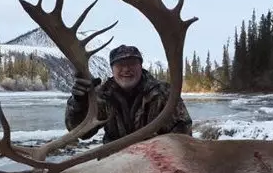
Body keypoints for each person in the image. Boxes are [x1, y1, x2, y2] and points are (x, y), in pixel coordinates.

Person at [65, 44, 193, 143]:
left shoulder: (164, 93)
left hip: (156, 160)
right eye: (120, 65)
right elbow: (81, 133)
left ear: (140, 66)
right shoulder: (103, 95)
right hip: (115, 161)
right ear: (112, 69)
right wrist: (79, 103)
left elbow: (183, 134)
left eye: (132, 64)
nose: (126, 69)